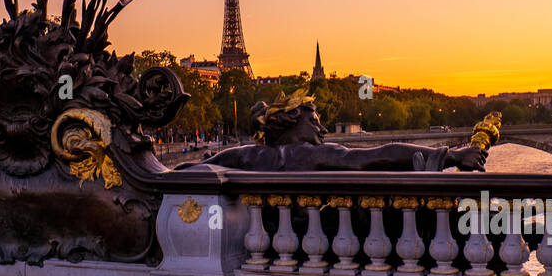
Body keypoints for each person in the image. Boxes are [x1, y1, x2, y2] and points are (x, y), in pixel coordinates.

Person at [182, 89, 489, 172]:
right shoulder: (313, 155)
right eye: (315, 119)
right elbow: (377, 155)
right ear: (294, 120)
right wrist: (451, 155)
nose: (323, 127)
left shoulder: (246, 156)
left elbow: (191, 169)